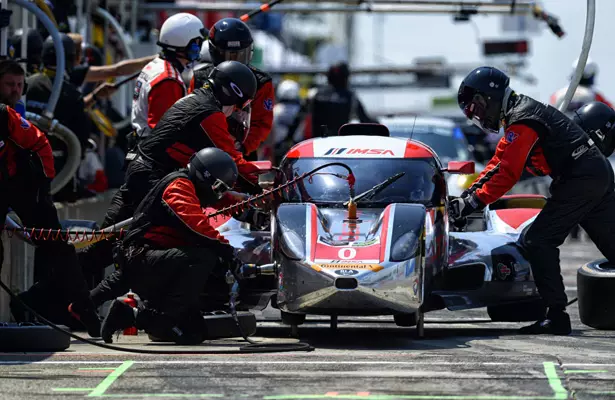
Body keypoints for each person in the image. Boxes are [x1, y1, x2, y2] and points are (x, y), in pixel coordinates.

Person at [450, 66, 615, 335]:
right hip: (592, 174)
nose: (478, 116)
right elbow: (498, 162)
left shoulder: (522, 120)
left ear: (490, 98)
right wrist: (468, 196)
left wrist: (472, 203)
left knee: (536, 240)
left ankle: (557, 317)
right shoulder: (518, 116)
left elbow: (507, 173)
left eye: (478, 108)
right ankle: (556, 314)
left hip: (581, 178)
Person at [77, 60, 261, 281]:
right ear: (232, 94)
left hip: (143, 174)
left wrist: (240, 198)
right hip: (151, 178)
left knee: (104, 248)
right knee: (182, 244)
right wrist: (268, 189)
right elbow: (233, 163)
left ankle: (64, 302)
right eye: (241, 104)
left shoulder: (195, 99)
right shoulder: (210, 114)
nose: (238, 111)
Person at [99, 148, 248, 344]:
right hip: (142, 258)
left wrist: (247, 207)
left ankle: (129, 315)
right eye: (218, 187)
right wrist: (228, 253)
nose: (218, 194)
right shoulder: (179, 187)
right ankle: (161, 319)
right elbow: (196, 226)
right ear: (205, 178)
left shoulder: (192, 187)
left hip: (158, 260)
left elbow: (220, 199)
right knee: (204, 257)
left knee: (194, 335)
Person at [0, 61, 100, 337]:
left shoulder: (7, 115)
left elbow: (41, 143)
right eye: (10, 85)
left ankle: (84, 308)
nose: (16, 91)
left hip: (23, 185)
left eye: (19, 85)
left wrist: (41, 187)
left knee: (58, 247)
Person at [26, 33, 116, 202]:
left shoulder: (26, 84)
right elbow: (80, 137)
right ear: (72, 59)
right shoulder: (71, 93)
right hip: (60, 177)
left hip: (25, 170)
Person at [189, 18, 274, 161]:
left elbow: (261, 124)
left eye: (240, 55)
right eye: (228, 55)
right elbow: (191, 118)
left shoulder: (262, 82)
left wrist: (241, 148)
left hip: (242, 155)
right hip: (204, 154)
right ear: (214, 52)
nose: (234, 61)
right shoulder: (199, 78)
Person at [130, 12, 206, 144]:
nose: (199, 47)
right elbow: (164, 132)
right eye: (197, 42)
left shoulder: (156, 65)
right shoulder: (169, 80)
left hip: (142, 148)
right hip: (154, 157)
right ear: (187, 43)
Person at [310, 62, 377, 138]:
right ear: (346, 78)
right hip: (338, 144)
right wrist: (379, 124)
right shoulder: (351, 97)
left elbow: (298, 120)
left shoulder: (315, 94)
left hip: (315, 143)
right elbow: (365, 121)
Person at [65, 33, 155, 88]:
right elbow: (116, 70)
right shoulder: (72, 72)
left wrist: (95, 96)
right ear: (74, 55)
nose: (82, 58)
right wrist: (153, 60)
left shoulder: (63, 71)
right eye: (81, 53)